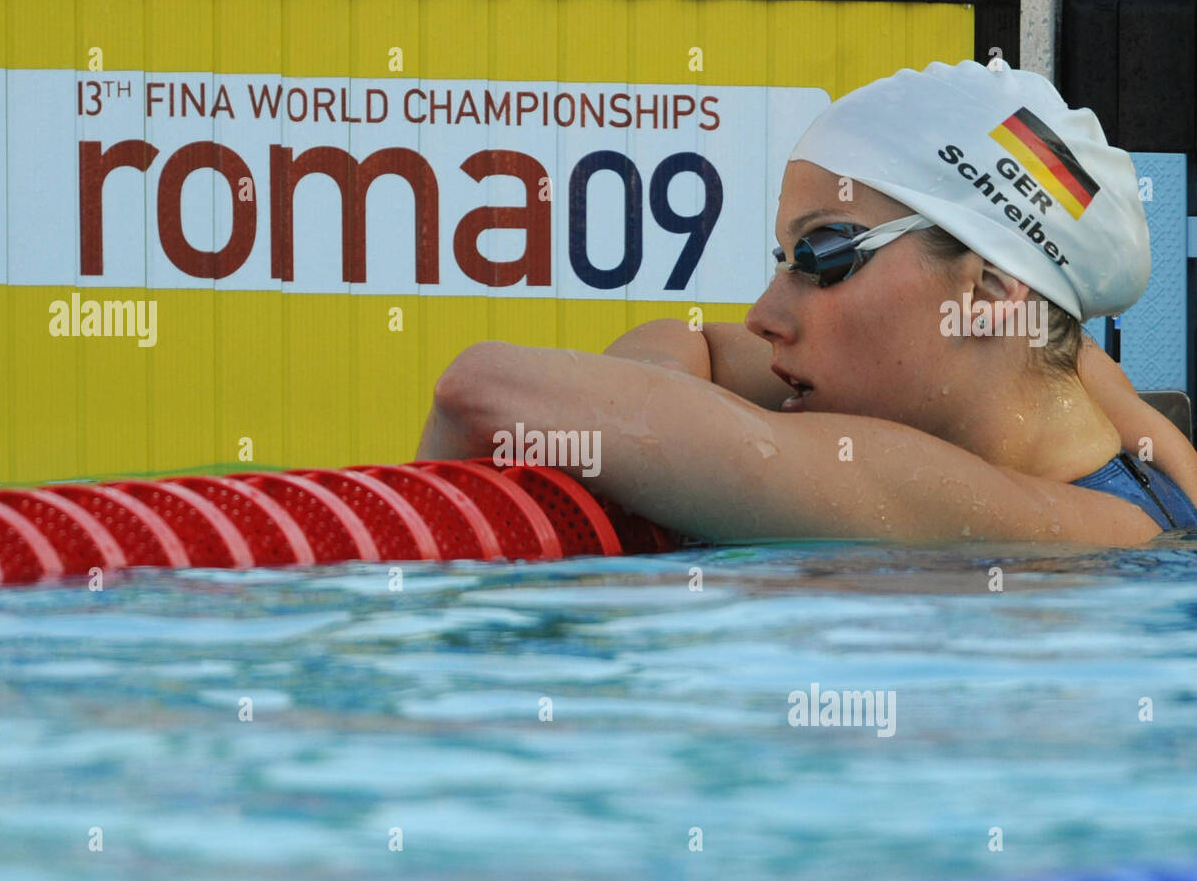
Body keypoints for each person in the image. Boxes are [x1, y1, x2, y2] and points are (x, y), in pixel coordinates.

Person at [417, 59, 1197, 544]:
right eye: (781, 259)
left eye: (822, 254)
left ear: (988, 289)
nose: (764, 314)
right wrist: (668, 402)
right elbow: (698, 345)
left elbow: (483, 390)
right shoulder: (1101, 406)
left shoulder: (1001, 516)